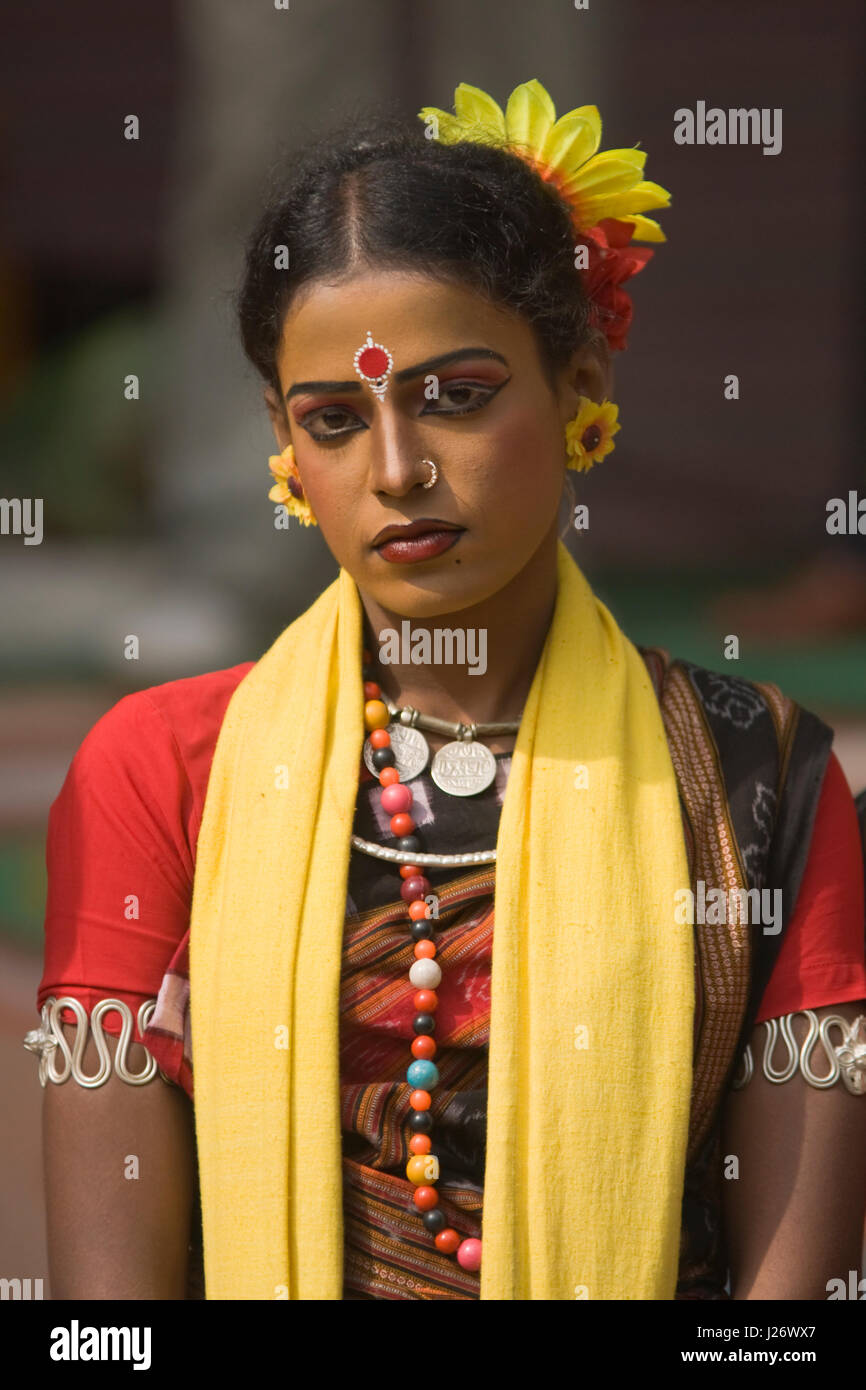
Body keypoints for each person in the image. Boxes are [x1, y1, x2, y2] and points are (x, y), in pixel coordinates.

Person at [27, 79, 866, 1301]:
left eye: (455, 397)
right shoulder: (162, 766)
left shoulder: (756, 774)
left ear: (579, 384)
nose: (396, 468)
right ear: (282, 441)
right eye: (331, 418)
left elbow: (785, 1315)